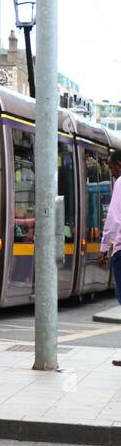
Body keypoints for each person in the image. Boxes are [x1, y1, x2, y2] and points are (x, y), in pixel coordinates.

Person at [102, 153, 121, 366]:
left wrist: (104, 246)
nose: (111, 171)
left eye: (112, 166)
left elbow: (114, 218)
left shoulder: (120, 182)